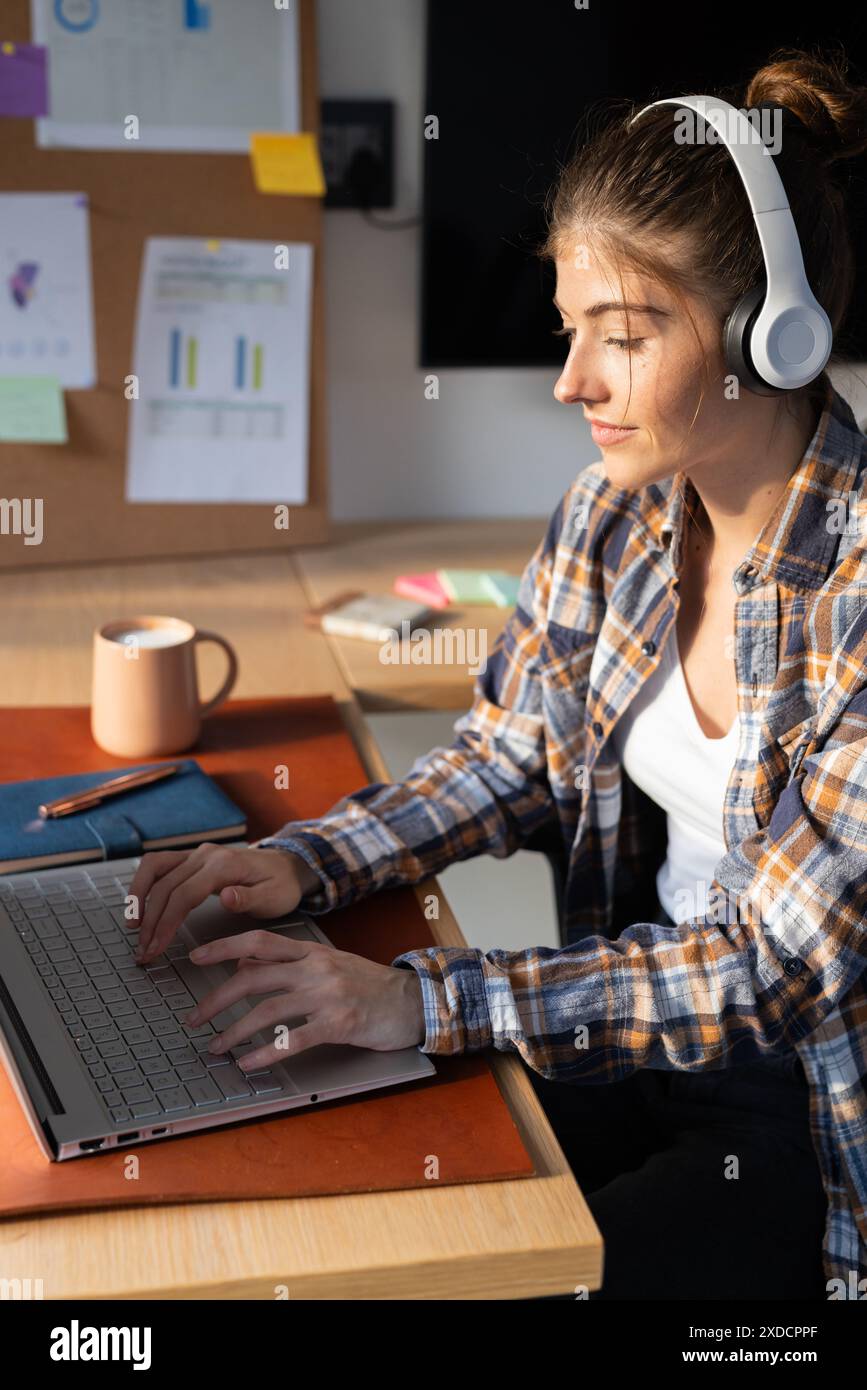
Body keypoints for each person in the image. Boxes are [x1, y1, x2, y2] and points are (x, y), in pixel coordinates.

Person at [128, 49, 867, 1300]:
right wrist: (304, 861)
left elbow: (771, 969)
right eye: (571, 326)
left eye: (624, 336)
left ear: (770, 338)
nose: (572, 380)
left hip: (794, 1104)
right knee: (360, 1188)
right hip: (618, 1023)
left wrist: (423, 1002)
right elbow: (510, 751)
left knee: (541, 1284)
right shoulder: (616, 510)